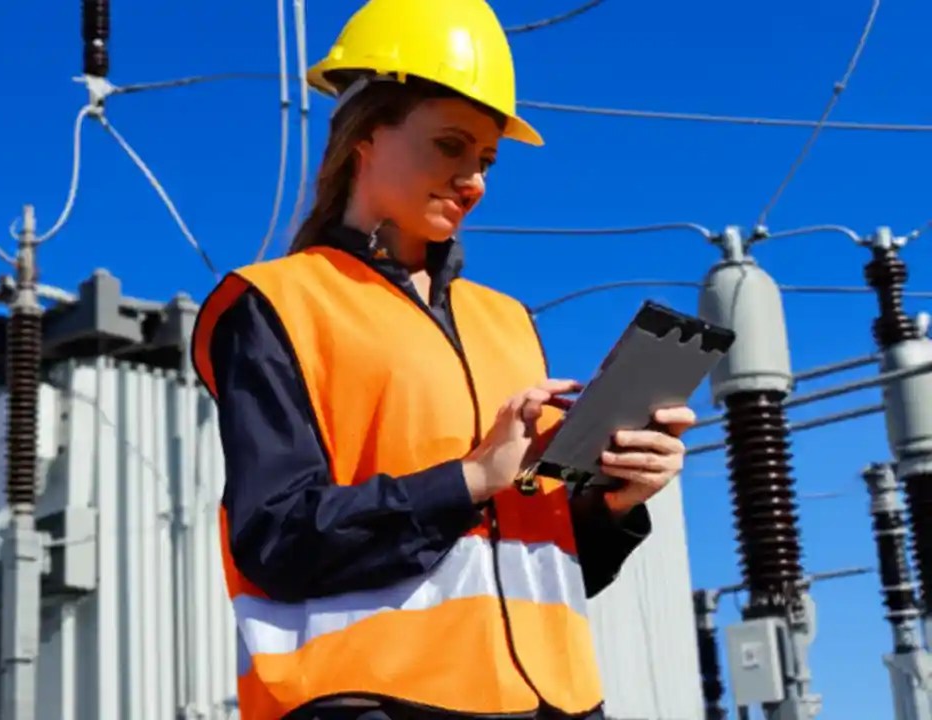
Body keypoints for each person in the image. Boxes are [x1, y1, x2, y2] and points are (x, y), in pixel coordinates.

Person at [189, 0, 697, 718]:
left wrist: (612, 503)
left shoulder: (508, 322)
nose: (476, 180)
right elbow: (275, 539)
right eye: (450, 146)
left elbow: (531, 561)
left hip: (557, 702)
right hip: (373, 702)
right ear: (366, 136)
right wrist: (468, 479)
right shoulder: (275, 304)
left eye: (486, 159)